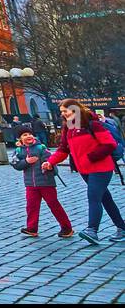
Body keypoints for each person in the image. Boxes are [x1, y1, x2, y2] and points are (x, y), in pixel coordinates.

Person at [43, 98, 125, 245]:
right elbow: (63, 150)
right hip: (85, 170)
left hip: (101, 168)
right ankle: (122, 228)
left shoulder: (93, 125)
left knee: (93, 197)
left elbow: (109, 144)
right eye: (61, 112)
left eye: (65, 111)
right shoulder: (69, 128)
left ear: (75, 109)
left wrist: (91, 157)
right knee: (105, 198)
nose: (63, 114)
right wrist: (50, 162)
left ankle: (92, 230)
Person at [11, 126, 73, 239]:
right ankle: (32, 228)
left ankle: (67, 228)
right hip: (30, 184)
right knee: (31, 206)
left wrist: (47, 166)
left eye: (29, 134)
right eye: (24, 135)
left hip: (46, 182)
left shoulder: (41, 148)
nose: (28, 136)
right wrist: (26, 161)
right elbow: (16, 164)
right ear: (20, 139)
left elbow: (52, 162)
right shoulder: (19, 151)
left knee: (54, 205)